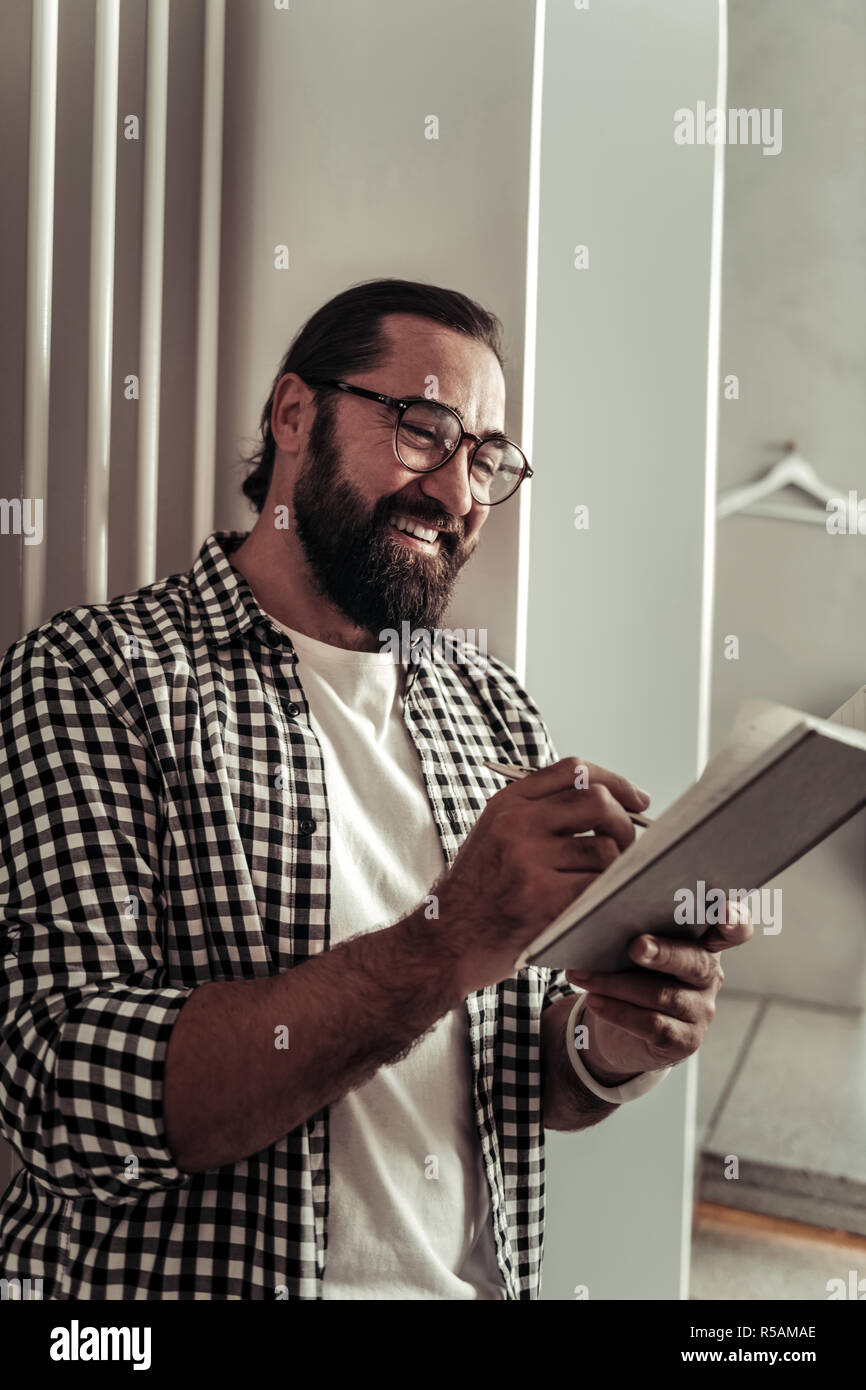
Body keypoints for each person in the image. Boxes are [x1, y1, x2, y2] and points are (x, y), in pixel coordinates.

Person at [0, 278, 751, 1300]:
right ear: (295, 415)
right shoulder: (95, 673)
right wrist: (443, 942)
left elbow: (505, 1074)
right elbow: (64, 1099)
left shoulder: (491, 708)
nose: (455, 493)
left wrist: (608, 1044)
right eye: (421, 430)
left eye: (484, 458)